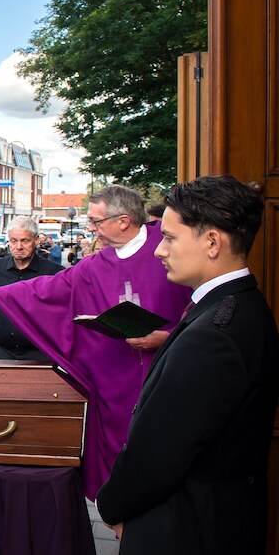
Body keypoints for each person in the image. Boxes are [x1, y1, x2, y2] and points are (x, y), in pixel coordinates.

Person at [0, 185, 192, 500]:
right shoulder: (95, 265)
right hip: (113, 383)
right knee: (122, 470)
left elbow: (204, 309)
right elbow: (44, 290)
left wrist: (168, 337)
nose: (90, 228)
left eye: (96, 221)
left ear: (124, 221)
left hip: (169, 376)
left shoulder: (169, 246)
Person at [96, 176, 278, 553]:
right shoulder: (239, 306)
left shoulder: (215, 334)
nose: (160, 250)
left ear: (212, 242)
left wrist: (110, 505)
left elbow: (160, 450)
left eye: (171, 238)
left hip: (186, 528)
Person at [0, 217, 65, 361]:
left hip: (42, 354)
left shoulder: (55, 274)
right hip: (1, 352)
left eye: (25, 241)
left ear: (36, 240)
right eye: (13, 241)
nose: (18, 247)